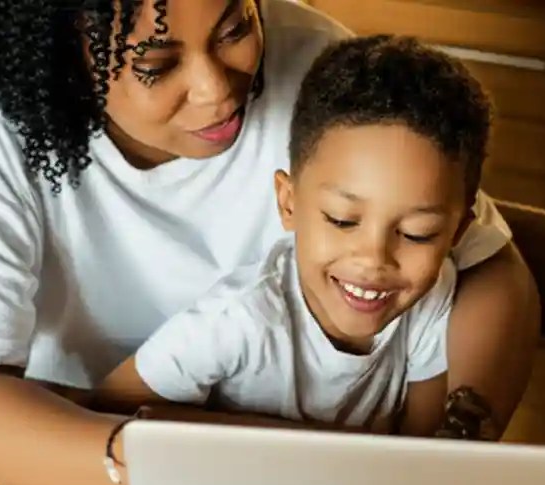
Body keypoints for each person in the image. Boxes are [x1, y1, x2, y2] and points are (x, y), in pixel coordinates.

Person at [0, 0, 540, 485]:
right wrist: (235, 481)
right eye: (158, 62)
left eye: (235, 28)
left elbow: (488, 266)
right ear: (62, 56)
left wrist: (445, 458)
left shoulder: (316, 67)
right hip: (88, 475)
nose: (217, 90)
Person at [99, 35, 492, 439]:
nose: (374, 258)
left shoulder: (433, 299)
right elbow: (104, 414)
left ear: (457, 232)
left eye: (417, 234)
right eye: (341, 220)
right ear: (289, 204)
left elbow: (421, 453)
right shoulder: (233, 324)